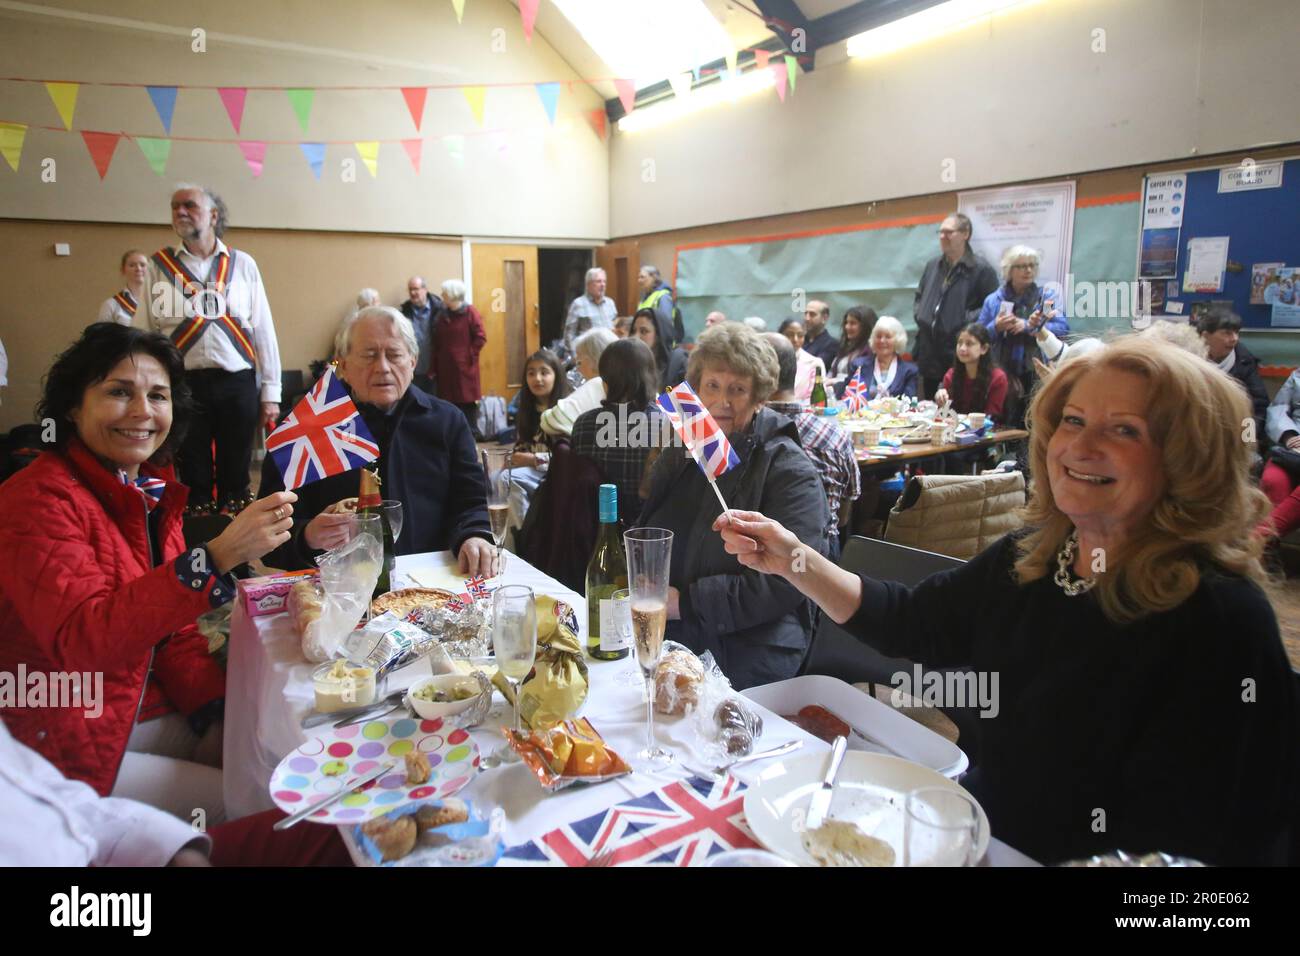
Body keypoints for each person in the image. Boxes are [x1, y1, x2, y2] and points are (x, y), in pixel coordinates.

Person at [716, 335, 1296, 866]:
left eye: (1125, 430)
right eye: (1072, 420)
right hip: (982, 839)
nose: (1081, 446)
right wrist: (792, 557)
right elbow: (911, 623)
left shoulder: (1221, 619)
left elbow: (1237, 848)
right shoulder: (1037, 557)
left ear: (1186, 461)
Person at [0, 324, 297, 820]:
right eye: (118, 392)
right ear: (74, 407)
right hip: (54, 732)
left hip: (135, 704)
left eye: (158, 395)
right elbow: (86, 643)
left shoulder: (148, 492)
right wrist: (214, 558)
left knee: (279, 752)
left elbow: (175, 634)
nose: (142, 412)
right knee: (271, 805)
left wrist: (211, 716)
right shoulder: (36, 498)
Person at [637, 322, 830, 690]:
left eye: (738, 390)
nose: (721, 402)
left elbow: (789, 580)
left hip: (751, 644)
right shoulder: (687, 447)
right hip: (673, 632)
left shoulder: (789, 469)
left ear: (759, 396)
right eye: (712, 386)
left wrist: (687, 603)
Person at [258, 306, 496, 576]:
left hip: (431, 582)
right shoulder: (306, 428)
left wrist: (473, 535)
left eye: (394, 355)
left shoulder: (446, 421)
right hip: (337, 591)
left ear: (413, 361)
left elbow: (470, 501)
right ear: (343, 365)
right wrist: (307, 536)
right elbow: (268, 533)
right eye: (369, 356)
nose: (383, 367)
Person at [0, 720, 351, 866]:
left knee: (349, 823)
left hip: (118, 848)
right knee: (254, 784)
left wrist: (171, 850)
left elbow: (57, 801)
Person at [137, 183, 282, 511]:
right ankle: (200, 552)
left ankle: (239, 553)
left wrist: (271, 393)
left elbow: (264, 330)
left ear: (213, 215)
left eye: (189, 205)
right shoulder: (158, 266)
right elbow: (142, 332)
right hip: (184, 385)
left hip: (237, 383)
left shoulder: (243, 264)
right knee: (193, 474)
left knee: (237, 473)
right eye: (175, 207)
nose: (180, 212)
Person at [763, 333, 860, 558]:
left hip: (761, 556)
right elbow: (844, 513)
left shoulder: (746, 434)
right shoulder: (836, 436)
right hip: (826, 555)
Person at [571, 337, 664, 527]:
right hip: (652, 533)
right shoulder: (668, 424)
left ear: (604, 382)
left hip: (595, 533)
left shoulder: (582, 425)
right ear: (651, 377)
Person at [978, 245, 1070, 423]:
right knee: (1001, 424)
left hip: (1036, 372)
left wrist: (1030, 326)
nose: (1028, 270)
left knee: (1034, 423)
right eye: (1022, 266)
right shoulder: (993, 300)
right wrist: (995, 327)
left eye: (1032, 265)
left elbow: (1061, 328)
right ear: (1009, 270)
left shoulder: (1046, 298)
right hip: (1001, 373)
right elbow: (977, 336)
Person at [913, 212, 999, 400]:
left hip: (958, 355)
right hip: (928, 352)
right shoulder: (932, 265)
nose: (943, 237)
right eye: (941, 232)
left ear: (965, 234)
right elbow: (919, 296)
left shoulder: (981, 270)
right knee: (929, 411)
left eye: (949, 232)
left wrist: (962, 321)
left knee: (954, 414)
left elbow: (991, 307)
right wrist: (921, 315)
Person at [1195, 306, 1268, 442]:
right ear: (1205, 336)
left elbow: (1258, 406)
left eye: (1236, 332)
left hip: (1236, 436)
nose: (1234, 338)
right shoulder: (1189, 363)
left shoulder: (1245, 361)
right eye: (1227, 333)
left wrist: (1247, 439)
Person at [431, 279, 487, 437]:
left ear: (453, 295)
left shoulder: (470, 312)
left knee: (466, 402)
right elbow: (437, 341)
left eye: (444, 293)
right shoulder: (442, 314)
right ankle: (452, 435)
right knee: (448, 402)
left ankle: (470, 435)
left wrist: (468, 355)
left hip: (465, 368)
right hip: (445, 368)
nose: (441, 296)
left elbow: (480, 337)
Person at [541, 327, 616, 438]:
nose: (578, 369)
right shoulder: (620, 384)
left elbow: (550, 421)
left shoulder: (598, 384)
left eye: (579, 362)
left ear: (594, 361)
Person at [933, 322, 1009, 420]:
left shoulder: (998, 377)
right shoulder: (951, 374)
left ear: (984, 349)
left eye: (969, 344)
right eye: (959, 343)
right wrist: (941, 402)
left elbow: (992, 417)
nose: (962, 348)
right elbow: (943, 416)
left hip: (987, 432)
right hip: (955, 431)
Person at [1257, 367, 1300, 540]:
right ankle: (1269, 553)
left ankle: (1258, 540)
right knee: (1272, 481)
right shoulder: (1297, 375)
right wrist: (1289, 435)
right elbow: (1278, 408)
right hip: (1291, 451)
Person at [513, 349, 570, 470]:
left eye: (544, 373)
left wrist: (534, 460)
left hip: (558, 475)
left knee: (506, 478)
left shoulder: (566, 411)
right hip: (531, 470)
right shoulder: (527, 410)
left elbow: (571, 462)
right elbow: (520, 451)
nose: (537, 379)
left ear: (557, 376)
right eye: (531, 373)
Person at [399, 276, 444, 394]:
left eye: (416, 289)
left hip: (436, 370)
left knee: (436, 406)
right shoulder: (404, 312)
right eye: (410, 290)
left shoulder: (440, 309)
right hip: (414, 371)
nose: (413, 293)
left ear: (425, 289)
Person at [562, 267, 617, 356]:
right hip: (589, 354)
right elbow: (569, 334)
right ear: (588, 284)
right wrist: (574, 355)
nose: (602, 285)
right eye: (598, 281)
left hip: (609, 352)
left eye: (604, 281)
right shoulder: (578, 304)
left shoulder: (610, 303)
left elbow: (615, 328)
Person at [864, 316, 918, 399]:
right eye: (878, 336)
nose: (882, 341)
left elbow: (909, 401)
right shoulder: (859, 366)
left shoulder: (909, 371)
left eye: (888, 337)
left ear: (897, 340)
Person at [777, 317, 828, 402]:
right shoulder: (771, 360)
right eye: (789, 334)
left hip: (802, 412)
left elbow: (817, 399)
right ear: (781, 335)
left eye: (800, 335)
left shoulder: (815, 363)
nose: (795, 339)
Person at [829, 306, 876, 390]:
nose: (847, 327)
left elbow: (860, 380)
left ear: (865, 327)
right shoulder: (845, 348)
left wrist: (833, 382)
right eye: (846, 323)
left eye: (852, 323)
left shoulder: (870, 352)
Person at [97, 249, 148, 326]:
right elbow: (101, 336)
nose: (138, 269)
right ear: (123, 270)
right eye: (132, 265)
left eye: (143, 265)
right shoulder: (111, 305)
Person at [636, 265, 682, 347]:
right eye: (638, 277)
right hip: (646, 345)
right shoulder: (645, 298)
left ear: (653, 277)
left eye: (642, 277)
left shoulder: (663, 297)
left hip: (661, 347)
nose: (639, 280)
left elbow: (665, 325)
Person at [631, 306, 672, 390]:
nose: (635, 337)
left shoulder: (677, 365)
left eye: (643, 331)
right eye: (633, 331)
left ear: (658, 336)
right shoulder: (629, 366)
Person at [801, 300, 839, 369]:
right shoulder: (800, 339)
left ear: (824, 318)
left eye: (812, 314)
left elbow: (815, 367)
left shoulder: (831, 344)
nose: (807, 318)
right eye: (806, 313)